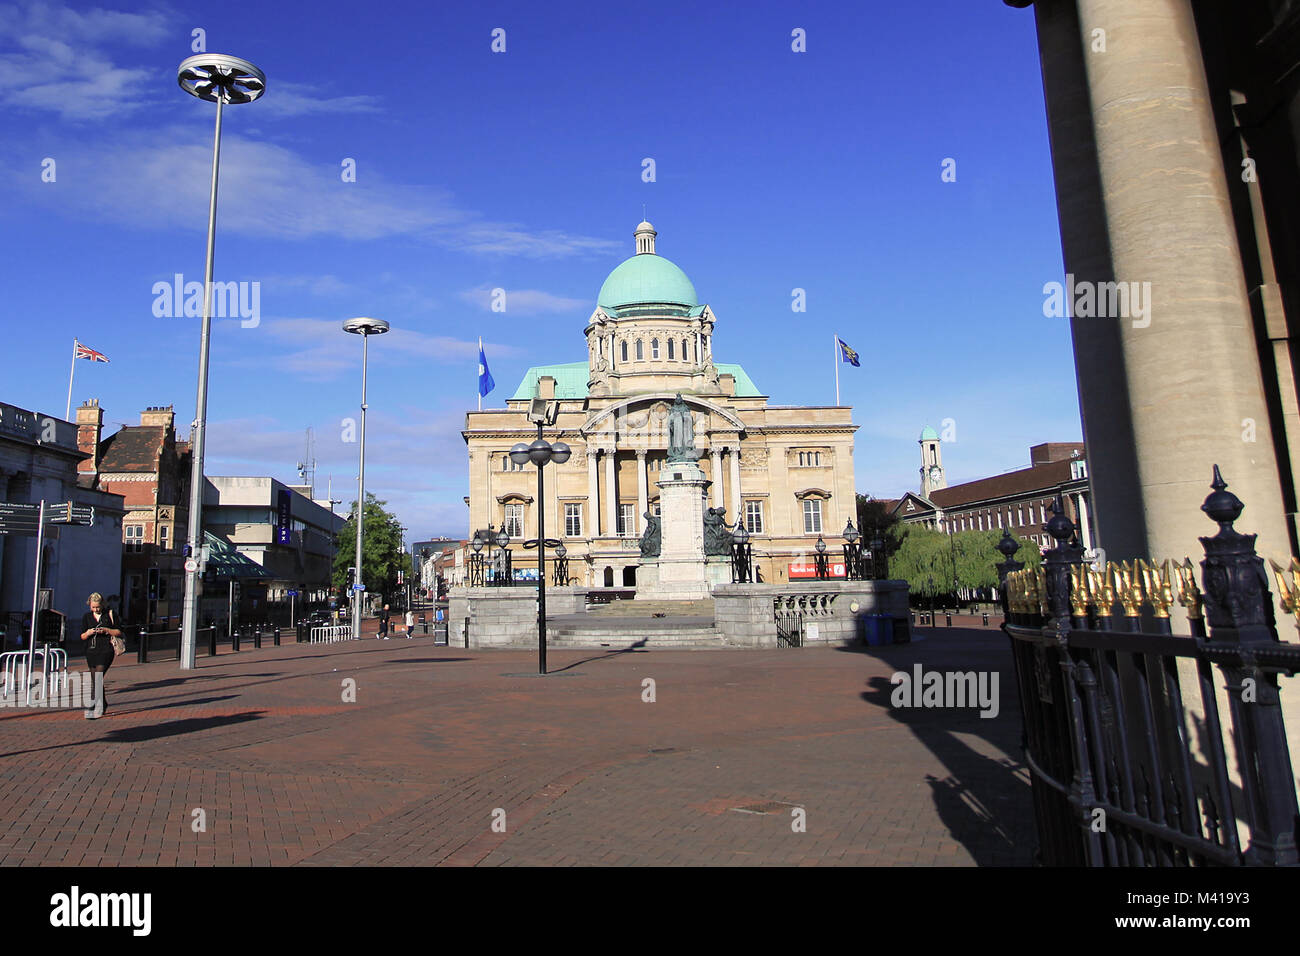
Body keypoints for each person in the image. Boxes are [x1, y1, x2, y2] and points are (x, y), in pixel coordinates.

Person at [79, 592, 121, 719]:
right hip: (91, 650)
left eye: (98, 607)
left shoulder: (109, 615)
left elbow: (118, 631)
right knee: (96, 680)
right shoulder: (86, 617)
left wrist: (106, 630)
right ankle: (103, 703)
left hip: (106, 650)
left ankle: (92, 707)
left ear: (102, 605)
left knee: (98, 677)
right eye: (93, 607)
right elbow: (82, 636)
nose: (96, 609)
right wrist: (89, 632)